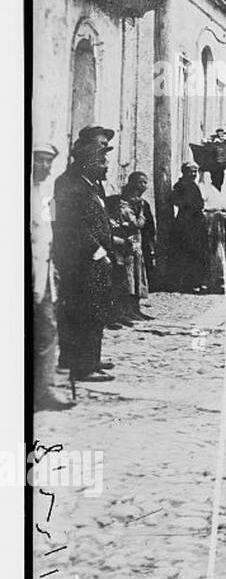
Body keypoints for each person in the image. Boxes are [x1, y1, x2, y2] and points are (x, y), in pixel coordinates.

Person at [51, 131, 116, 383]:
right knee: (85, 311)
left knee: (93, 309)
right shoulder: (67, 184)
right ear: (87, 161)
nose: (106, 165)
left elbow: (97, 219)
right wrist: (98, 252)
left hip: (93, 258)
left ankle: (81, 358)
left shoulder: (92, 184)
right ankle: (84, 366)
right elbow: (68, 225)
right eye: (102, 161)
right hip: (80, 260)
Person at [31, 141, 74, 410]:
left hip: (43, 274)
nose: (45, 166)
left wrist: (56, 266)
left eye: (49, 161)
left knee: (47, 329)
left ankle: (44, 389)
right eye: (39, 160)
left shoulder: (47, 195)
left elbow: (52, 232)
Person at [106, 171, 155, 324]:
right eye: (141, 182)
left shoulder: (140, 202)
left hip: (137, 243)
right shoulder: (125, 204)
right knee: (129, 277)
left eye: (146, 183)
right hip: (127, 244)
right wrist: (140, 213)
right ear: (132, 184)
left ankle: (136, 309)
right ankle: (126, 310)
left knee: (138, 275)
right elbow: (137, 224)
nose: (144, 186)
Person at [198, 166, 226, 292]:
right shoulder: (206, 189)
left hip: (224, 220)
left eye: (221, 176)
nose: (219, 178)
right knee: (212, 248)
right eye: (216, 176)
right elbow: (202, 205)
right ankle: (212, 277)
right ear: (211, 177)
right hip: (211, 221)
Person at [171, 161, 208, 293]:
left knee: (199, 252)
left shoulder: (194, 186)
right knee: (188, 252)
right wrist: (190, 207)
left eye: (195, 172)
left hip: (196, 222)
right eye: (191, 171)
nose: (193, 174)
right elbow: (177, 201)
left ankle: (197, 281)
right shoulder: (180, 186)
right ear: (184, 172)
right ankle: (188, 283)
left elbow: (200, 203)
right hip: (186, 222)